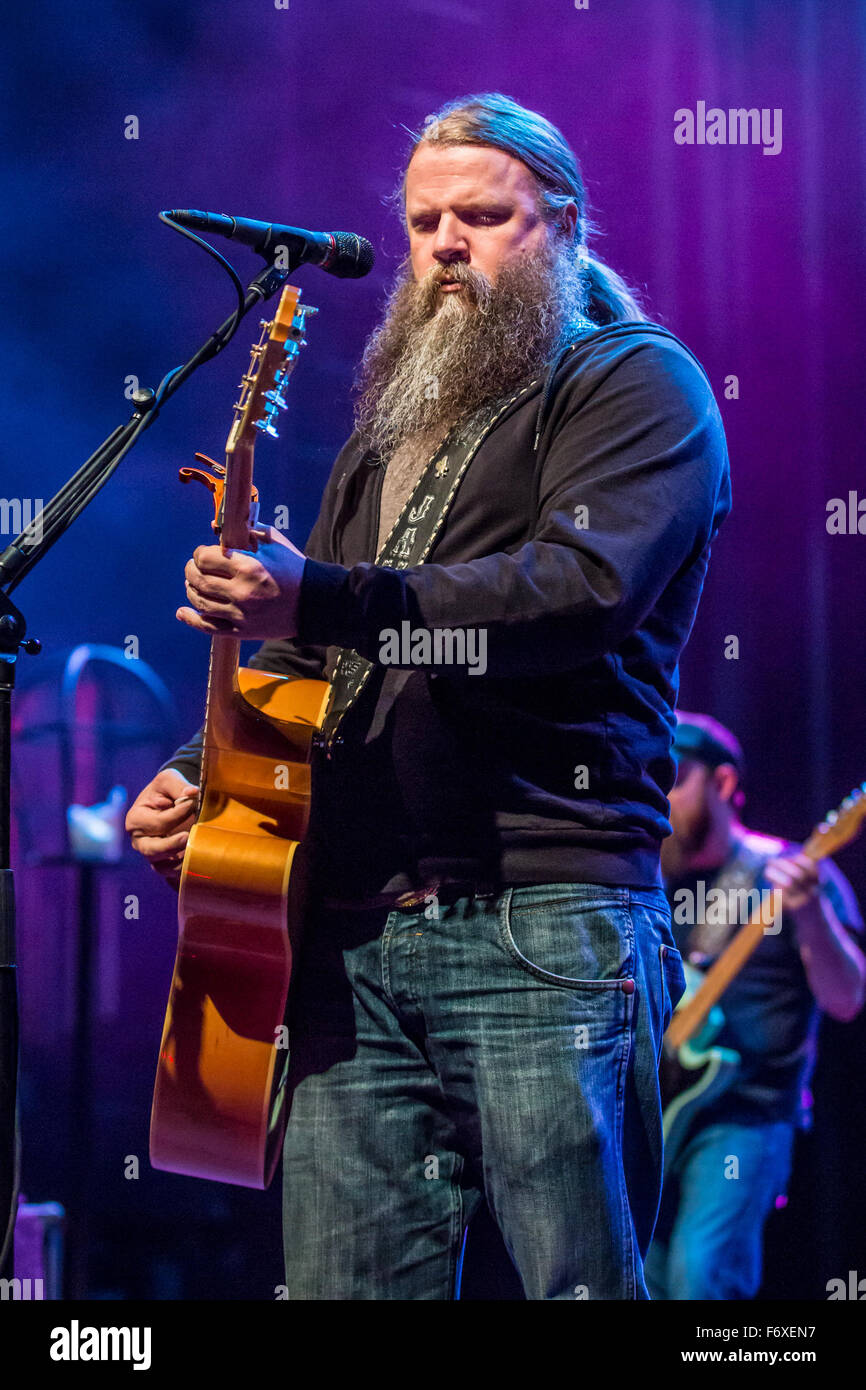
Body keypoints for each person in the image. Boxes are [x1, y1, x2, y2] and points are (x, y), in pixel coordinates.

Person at [126, 92, 731, 1300]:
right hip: (351, 933)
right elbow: (317, 659)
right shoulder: (387, 429)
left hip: (541, 913)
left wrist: (324, 597)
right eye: (421, 221)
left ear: (559, 223)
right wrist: (204, 768)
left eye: (482, 215)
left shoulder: (636, 386)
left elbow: (578, 590)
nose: (445, 242)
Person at [647, 712, 866, 1300]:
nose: (659, 795)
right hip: (657, 1113)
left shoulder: (790, 874)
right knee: (647, 1281)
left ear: (720, 785)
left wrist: (811, 912)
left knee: (701, 1274)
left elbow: (847, 999)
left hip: (746, 1112)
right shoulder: (648, 886)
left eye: (674, 779)